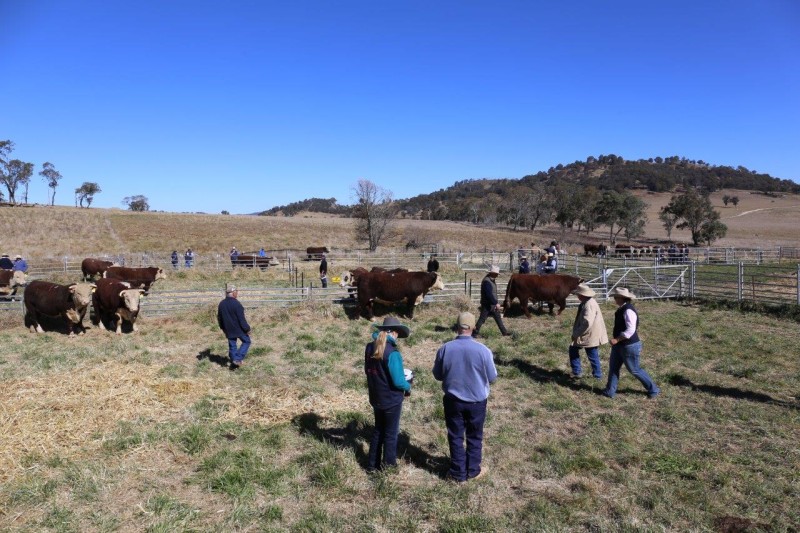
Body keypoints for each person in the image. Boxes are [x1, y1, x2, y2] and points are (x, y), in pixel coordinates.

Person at [433, 311, 498, 482]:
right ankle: (473, 470)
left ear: (457, 326)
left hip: (453, 401)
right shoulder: (483, 350)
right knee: (475, 436)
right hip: (477, 402)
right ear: (473, 327)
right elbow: (492, 377)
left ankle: (457, 473)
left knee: (455, 436)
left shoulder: (445, 349)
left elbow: (438, 375)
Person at [364, 316, 413, 472]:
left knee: (378, 430)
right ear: (395, 333)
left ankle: (372, 465)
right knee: (391, 434)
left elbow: (368, 370)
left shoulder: (369, 347)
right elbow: (398, 381)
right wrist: (408, 386)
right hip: (391, 399)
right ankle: (389, 466)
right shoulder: (393, 353)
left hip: (376, 396)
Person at [602, 287, 660, 399]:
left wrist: (617, 339)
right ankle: (610, 391)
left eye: (616, 297)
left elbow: (630, 330)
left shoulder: (628, 310)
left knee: (634, 370)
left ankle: (653, 389)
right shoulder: (622, 309)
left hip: (629, 346)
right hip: (620, 345)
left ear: (622, 298)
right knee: (613, 368)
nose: (614, 299)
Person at [568, 283, 608, 379]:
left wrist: (576, 334)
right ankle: (590, 374)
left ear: (582, 295)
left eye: (578, 294)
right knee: (586, 352)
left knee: (591, 353)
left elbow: (587, 323)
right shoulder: (587, 302)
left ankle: (594, 375)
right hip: (590, 333)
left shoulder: (588, 305)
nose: (577, 296)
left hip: (589, 334)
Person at [217, 284, 251, 368]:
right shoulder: (236, 304)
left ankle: (234, 361)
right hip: (239, 329)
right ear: (233, 293)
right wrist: (247, 329)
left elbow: (219, 318)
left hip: (228, 329)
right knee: (247, 341)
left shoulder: (221, 304)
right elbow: (241, 319)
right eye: (236, 292)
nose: (237, 293)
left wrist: (222, 328)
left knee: (232, 345)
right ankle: (238, 359)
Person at [473, 265, 510, 338]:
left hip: (491, 304)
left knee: (498, 318)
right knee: (482, 319)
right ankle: (474, 333)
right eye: (496, 274)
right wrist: (495, 303)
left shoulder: (490, 280)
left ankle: (504, 332)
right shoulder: (487, 282)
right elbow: (489, 295)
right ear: (492, 273)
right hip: (487, 304)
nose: (497, 275)